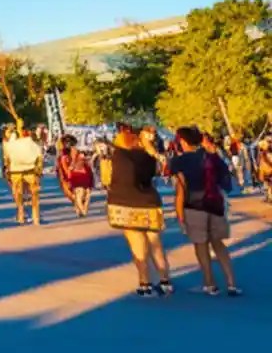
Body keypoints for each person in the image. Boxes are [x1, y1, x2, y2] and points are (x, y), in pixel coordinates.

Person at [169, 126, 241, 296]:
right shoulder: (210, 157)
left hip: (194, 206)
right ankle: (231, 283)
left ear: (183, 141)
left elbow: (181, 189)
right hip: (215, 204)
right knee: (218, 244)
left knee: (201, 245)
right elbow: (224, 178)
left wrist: (180, 216)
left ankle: (210, 283)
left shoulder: (179, 161)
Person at [106, 123, 173, 297]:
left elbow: (109, 178)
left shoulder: (119, 155)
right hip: (149, 201)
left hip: (126, 203)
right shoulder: (148, 157)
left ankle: (145, 283)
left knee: (138, 247)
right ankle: (165, 281)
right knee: (156, 245)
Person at [3, 126, 44, 225]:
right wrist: (39, 170)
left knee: (18, 193)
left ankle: (21, 214)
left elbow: (7, 159)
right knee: (34, 194)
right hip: (30, 170)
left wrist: (7, 170)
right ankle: (36, 216)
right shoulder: (32, 143)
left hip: (15, 170)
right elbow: (39, 156)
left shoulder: (10, 144)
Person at [57, 137, 94, 217]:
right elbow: (61, 168)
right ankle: (78, 206)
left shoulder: (78, 153)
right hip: (67, 176)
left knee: (80, 193)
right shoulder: (62, 155)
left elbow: (84, 164)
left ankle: (80, 207)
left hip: (77, 175)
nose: (68, 144)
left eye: (70, 143)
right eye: (66, 143)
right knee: (72, 194)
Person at [258, 139, 272, 203]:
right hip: (268, 170)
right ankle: (269, 196)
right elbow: (269, 161)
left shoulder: (262, 153)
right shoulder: (265, 153)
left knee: (267, 184)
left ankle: (268, 196)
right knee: (268, 184)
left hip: (265, 170)